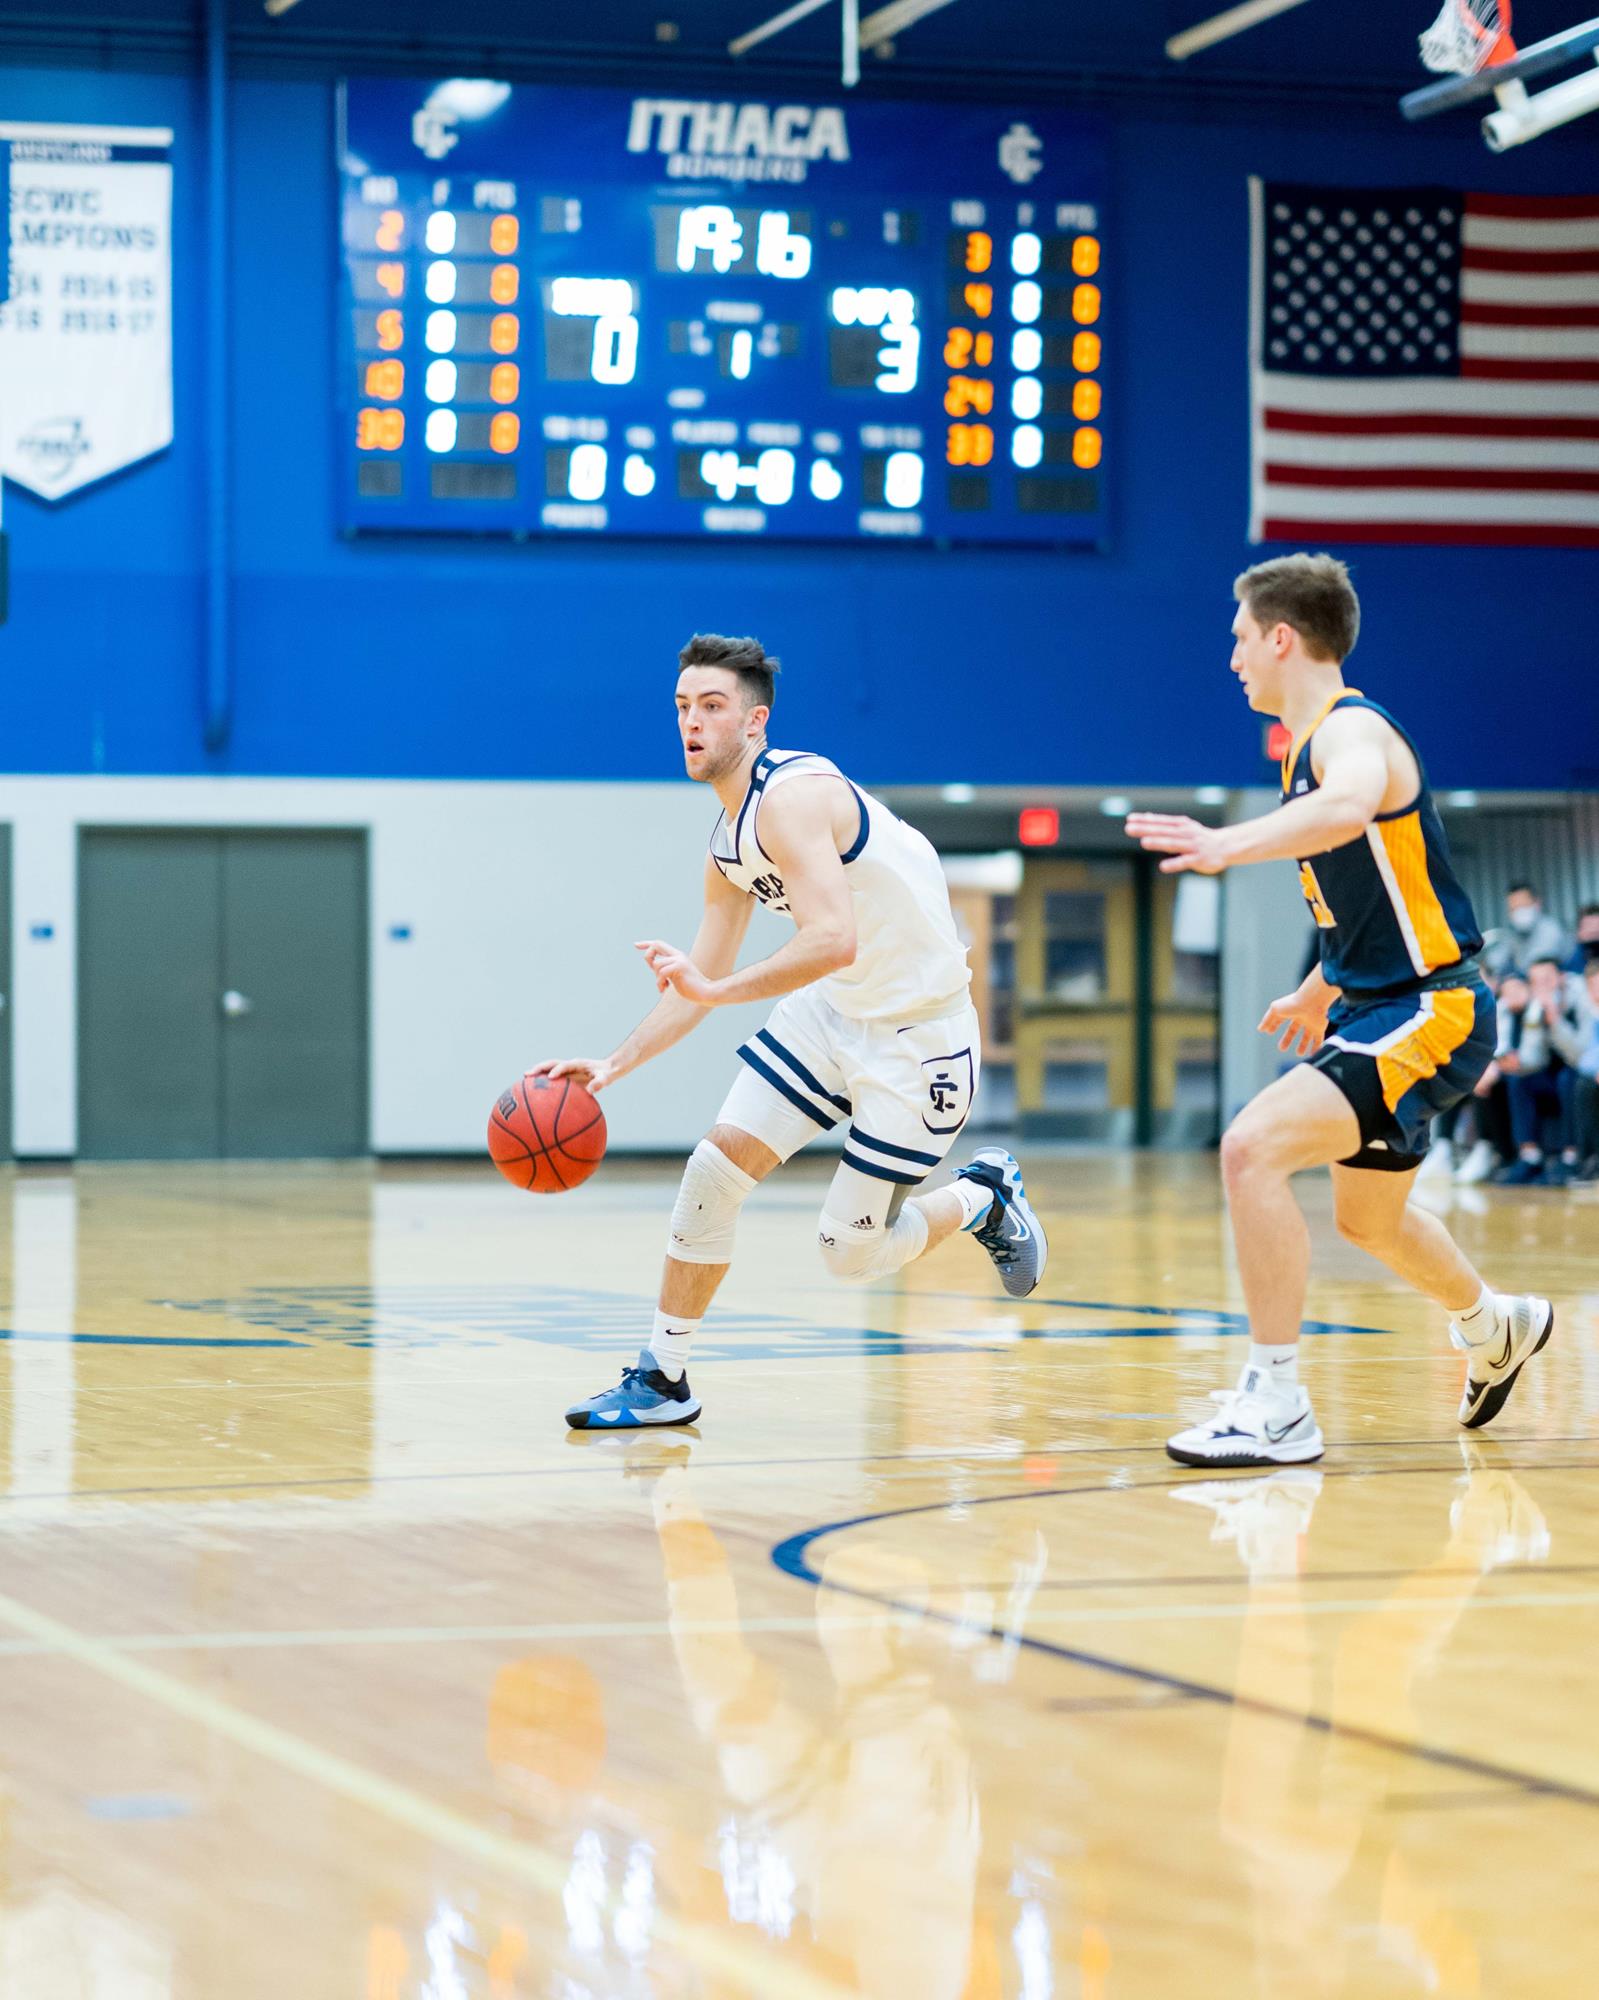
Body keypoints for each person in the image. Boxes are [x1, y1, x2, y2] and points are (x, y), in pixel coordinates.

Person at [533, 633, 1047, 1430]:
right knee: (711, 1174)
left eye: (712, 706)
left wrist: (718, 987)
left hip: (919, 1038)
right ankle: (662, 1379)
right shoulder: (725, 845)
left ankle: (979, 1197)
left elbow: (829, 938)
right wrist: (613, 1063)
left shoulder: (795, 795)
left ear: (755, 722)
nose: (691, 723)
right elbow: (696, 982)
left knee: (850, 1255)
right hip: (831, 1012)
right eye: (681, 708)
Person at [1127, 553, 1552, 1467]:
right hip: (1379, 1004)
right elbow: (1376, 894)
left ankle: (1276, 1403)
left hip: (1430, 1007)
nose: (1232, 658)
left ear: (1281, 637)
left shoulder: (1347, 736)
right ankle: (1495, 1324)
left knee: (1248, 1149)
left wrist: (1222, 845)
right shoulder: (1305, 748)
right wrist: (1319, 988)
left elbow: (1353, 806)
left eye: (1240, 639)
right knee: (1369, 1221)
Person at [1498, 956, 1594, 1185]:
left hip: (1579, 1071)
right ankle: (1529, 1156)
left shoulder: (1581, 998)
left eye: (1547, 979)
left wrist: (1556, 1020)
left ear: (1561, 978)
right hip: (1550, 1073)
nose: (1542, 986)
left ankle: (1571, 1157)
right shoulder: (1535, 1004)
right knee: (1519, 1081)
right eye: (1535, 981)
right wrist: (1514, 1062)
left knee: (1568, 1079)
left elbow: (1580, 1055)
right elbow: (1534, 1057)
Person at [1484, 883, 1573, 980]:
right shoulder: (1513, 934)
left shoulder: (1551, 930)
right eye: (1514, 908)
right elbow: (1494, 961)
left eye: (1523, 905)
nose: (1519, 911)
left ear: (1537, 903)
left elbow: (1538, 970)